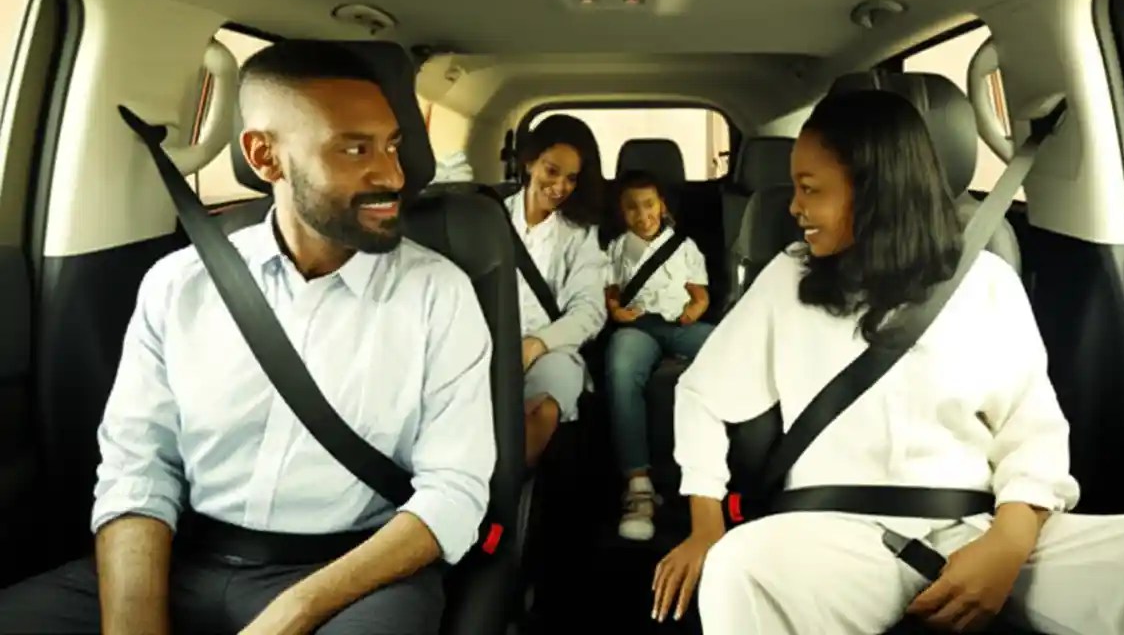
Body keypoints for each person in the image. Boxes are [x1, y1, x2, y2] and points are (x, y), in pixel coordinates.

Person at [650, 89, 1124, 634]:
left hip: (983, 527)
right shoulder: (787, 279)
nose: (793, 207)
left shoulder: (985, 282)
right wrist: (706, 526)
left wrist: (1007, 545)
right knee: (741, 567)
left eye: (811, 191)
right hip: (832, 538)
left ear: (874, 193)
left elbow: (1031, 433)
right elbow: (702, 394)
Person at [0, 40, 497, 634]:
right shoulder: (180, 284)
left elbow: (454, 493)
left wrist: (295, 610)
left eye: (392, 145)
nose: (392, 174)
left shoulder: (439, 295)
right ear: (265, 157)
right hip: (185, 558)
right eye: (353, 148)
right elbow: (138, 467)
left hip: (355, 576)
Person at [603, 169, 713, 541]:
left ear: (662, 205)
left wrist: (696, 311)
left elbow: (700, 295)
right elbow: (612, 293)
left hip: (679, 325)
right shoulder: (617, 248)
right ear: (621, 212)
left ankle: (715, 471)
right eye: (632, 208)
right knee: (620, 368)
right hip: (637, 326)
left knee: (724, 350)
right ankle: (638, 484)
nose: (642, 214)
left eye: (648, 204)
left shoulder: (684, 247)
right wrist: (616, 312)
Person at [504, 114, 608, 468]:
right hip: (484, 346)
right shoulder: (488, 216)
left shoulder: (580, 234)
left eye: (571, 178)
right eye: (552, 171)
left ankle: (504, 504)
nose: (560, 186)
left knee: (544, 407)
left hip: (551, 349)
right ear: (530, 161)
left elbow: (590, 310)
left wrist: (537, 343)